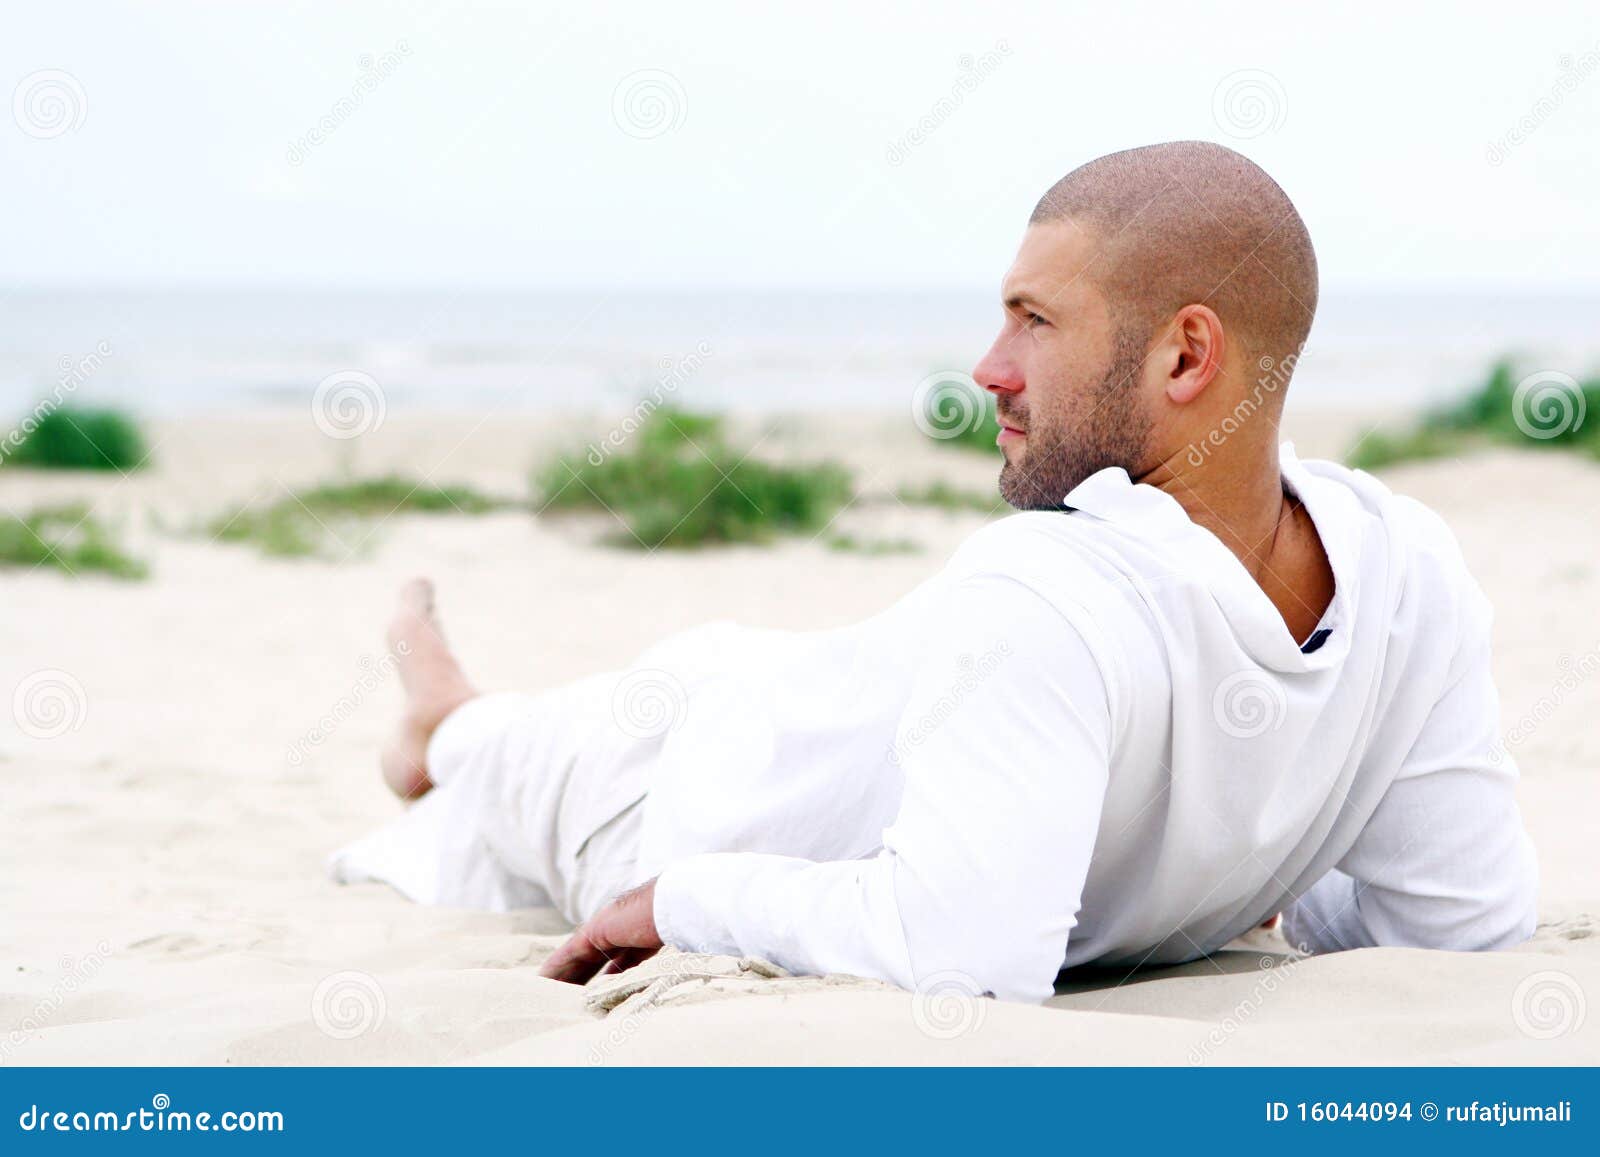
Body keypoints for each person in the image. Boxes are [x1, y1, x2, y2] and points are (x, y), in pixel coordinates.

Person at [331, 141, 1538, 1004]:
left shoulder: (1403, 583)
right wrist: (679, 888)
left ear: (1185, 356)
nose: (988, 367)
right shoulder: (1071, 588)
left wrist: (682, 899)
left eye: (1034, 320)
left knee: (494, 780)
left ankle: (444, 725)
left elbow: (1455, 931)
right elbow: (972, 949)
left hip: (755, 764)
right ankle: (439, 722)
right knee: (491, 757)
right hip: (676, 772)